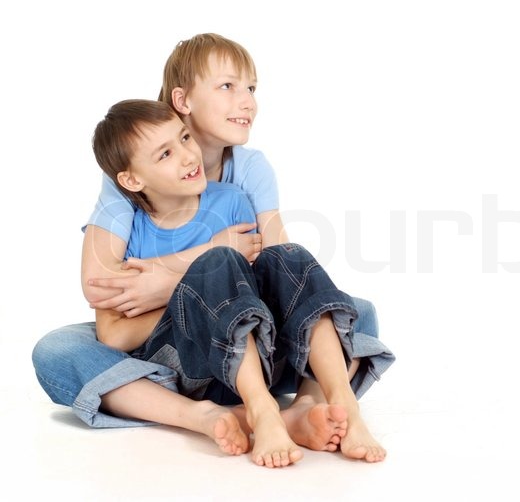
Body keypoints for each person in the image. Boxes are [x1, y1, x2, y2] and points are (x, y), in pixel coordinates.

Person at [31, 34, 394, 459]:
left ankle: (313, 405)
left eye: (251, 87)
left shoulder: (241, 185)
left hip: (248, 338)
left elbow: (283, 272)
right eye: (227, 86)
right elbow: (107, 310)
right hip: (171, 355)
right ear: (182, 99)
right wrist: (186, 276)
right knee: (57, 349)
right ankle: (217, 415)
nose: (247, 101)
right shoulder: (128, 175)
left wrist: (176, 279)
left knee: (354, 311)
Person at [90, 98, 384, 466]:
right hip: (185, 363)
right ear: (133, 180)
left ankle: (344, 405)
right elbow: (114, 334)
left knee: (289, 257)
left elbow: (261, 288)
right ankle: (263, 411)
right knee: (219, 260)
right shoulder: (128, 232)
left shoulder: (231, 202)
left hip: (248, 356)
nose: (188, 156)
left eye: (184, 138)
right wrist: (191, 289)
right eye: (165, 154)